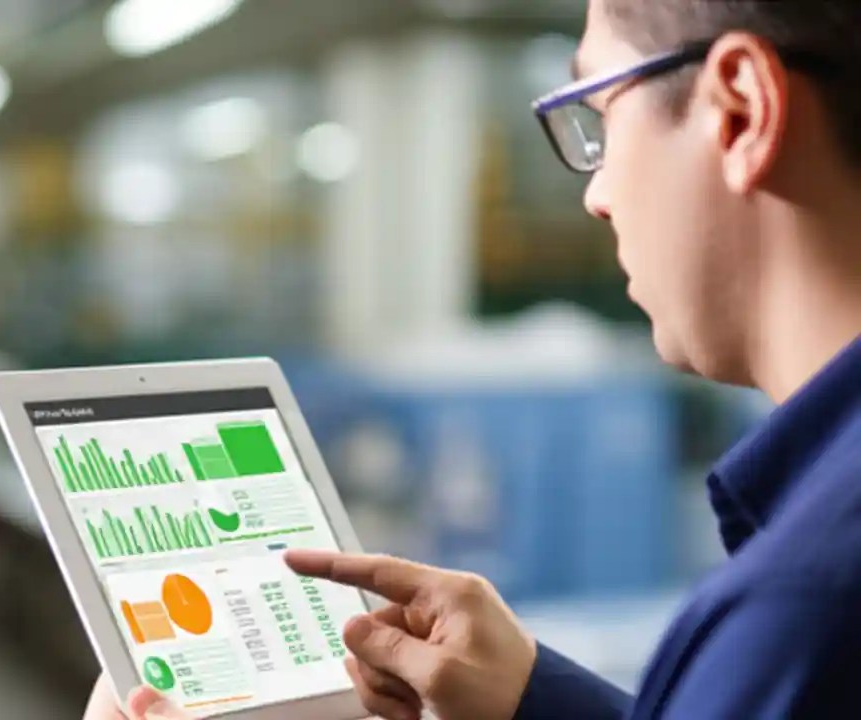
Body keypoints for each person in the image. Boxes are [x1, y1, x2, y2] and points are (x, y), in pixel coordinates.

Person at [87, 0, 861, 717]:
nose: (597, 195)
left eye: (598, 116)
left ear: (741, 110)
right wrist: (530, 693)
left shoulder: (799, 611)